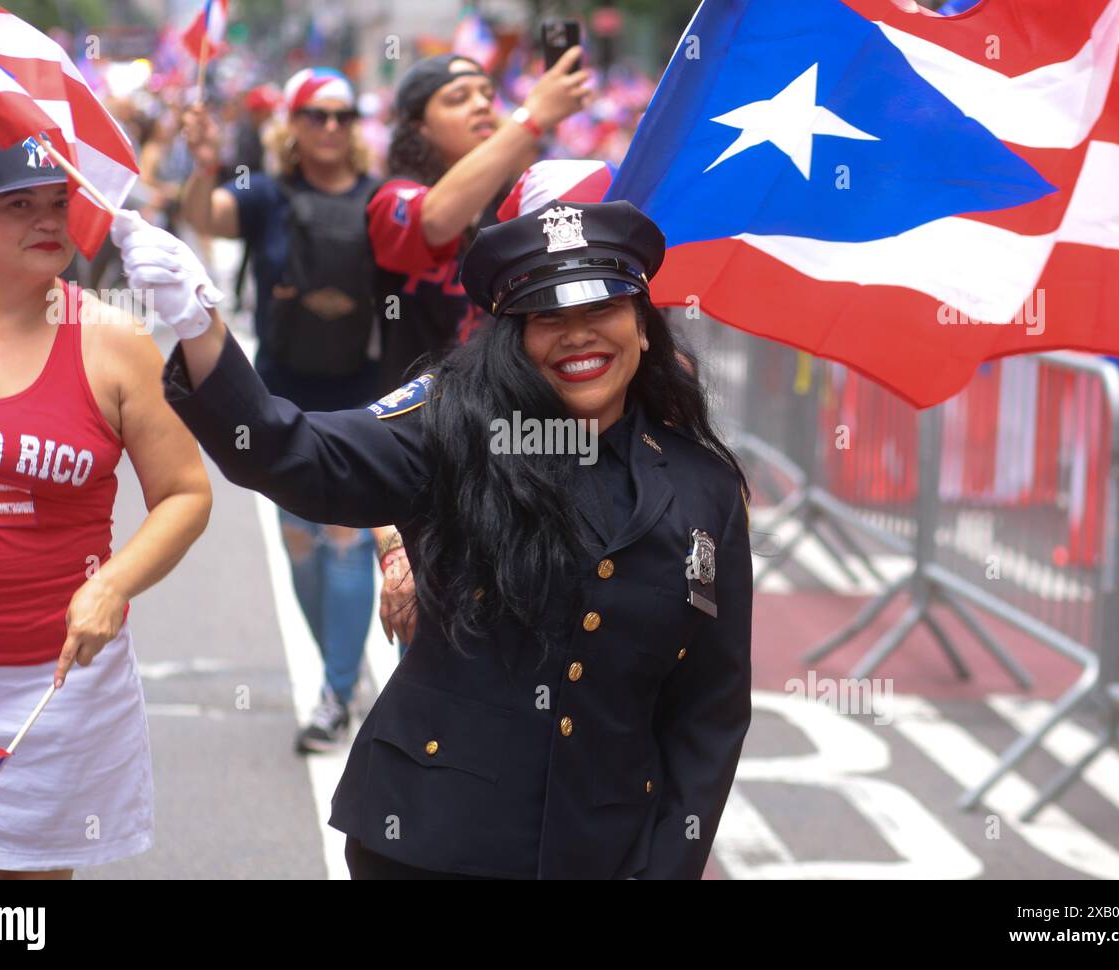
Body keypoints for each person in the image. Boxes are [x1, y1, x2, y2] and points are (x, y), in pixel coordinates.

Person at [114, 196, 754, 879]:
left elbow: (709, 710)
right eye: (548, 317)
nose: (578, 336)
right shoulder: (451, 428)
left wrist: (669, 866)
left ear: (643, 326)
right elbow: (289, 452)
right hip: (428, 841)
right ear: (514, 336)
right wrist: (201, 327)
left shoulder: (702, 486)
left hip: (604, 852)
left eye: (601, 309)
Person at [0, 133, 212, 879]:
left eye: (59, 203)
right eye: (19, 205)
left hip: (57, 692)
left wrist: (111, 585)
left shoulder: (115, 341)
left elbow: (185, 495)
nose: (47, 221)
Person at [179, 68, 416, 750]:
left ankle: (336, 697)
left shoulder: (381, 199)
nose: (331, 128)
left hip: (365, 396)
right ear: (294, 123)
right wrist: (201, 167)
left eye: (344, 115)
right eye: (317, 115)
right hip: (283, 394)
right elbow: (205, 216)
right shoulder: (267, 191)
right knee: (299, 545)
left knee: (344, 541)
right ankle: (341, 678)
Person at [368, 47, 592, 392]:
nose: (482, 104)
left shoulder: (517, 202)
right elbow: (436, 221)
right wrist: (531, 117)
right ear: (420, 128)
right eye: (458, 98)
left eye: (488, 94)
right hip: (416, 420)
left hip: (506, 411)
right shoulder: (391, 197)